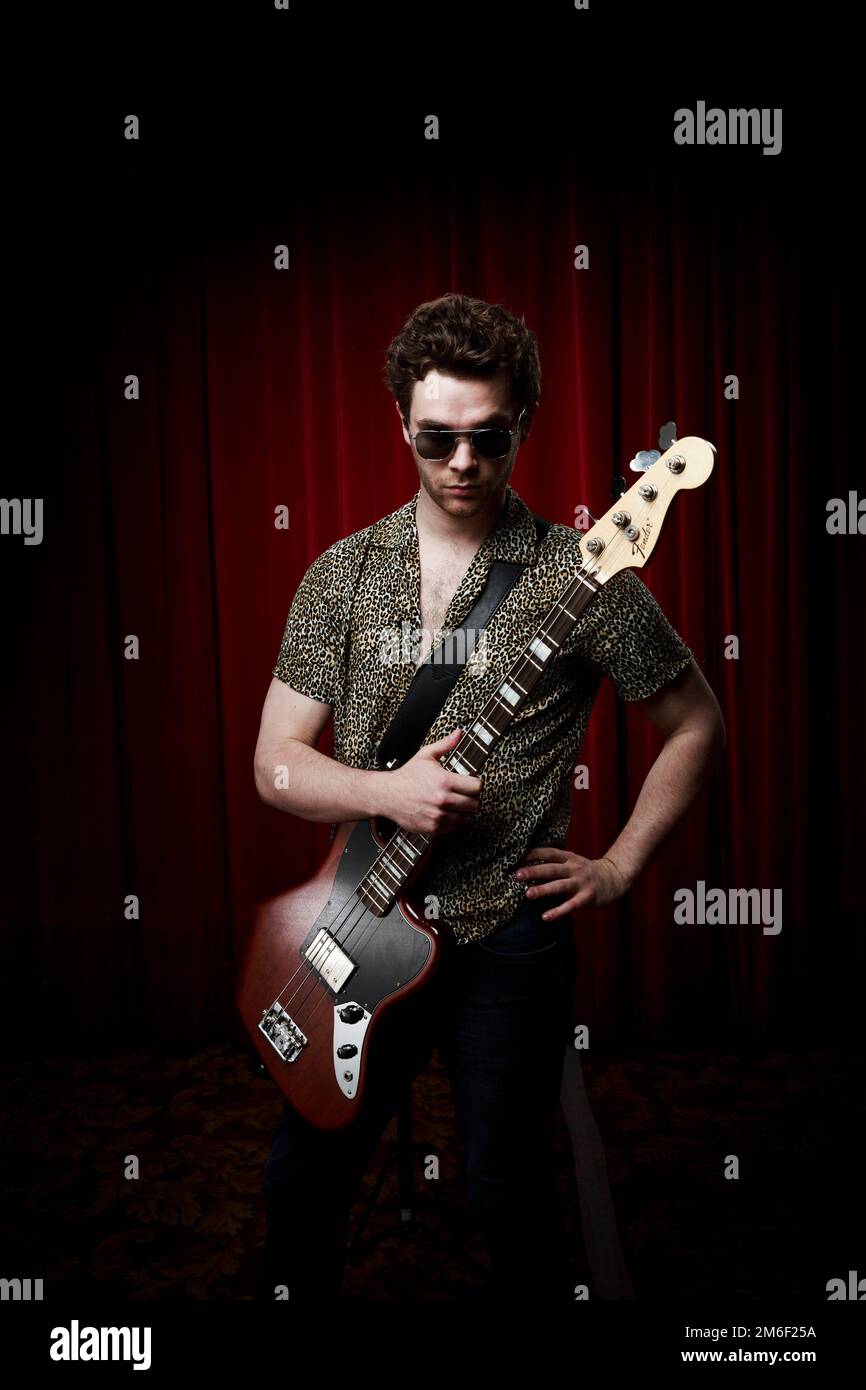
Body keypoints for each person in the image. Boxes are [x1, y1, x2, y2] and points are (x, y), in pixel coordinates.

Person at [252, 292, 725, 1301]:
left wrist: (620, 863)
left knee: (506, 1191)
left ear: (523, 424)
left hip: (506, 935)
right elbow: (275, 763)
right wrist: (387, 787)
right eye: (435, 438)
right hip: (358, 918)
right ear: (399, 423)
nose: (461, 462)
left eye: (488, 436)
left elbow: (695, 724)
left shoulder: (585, 575)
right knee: (299, 1187)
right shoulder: (340, 577)